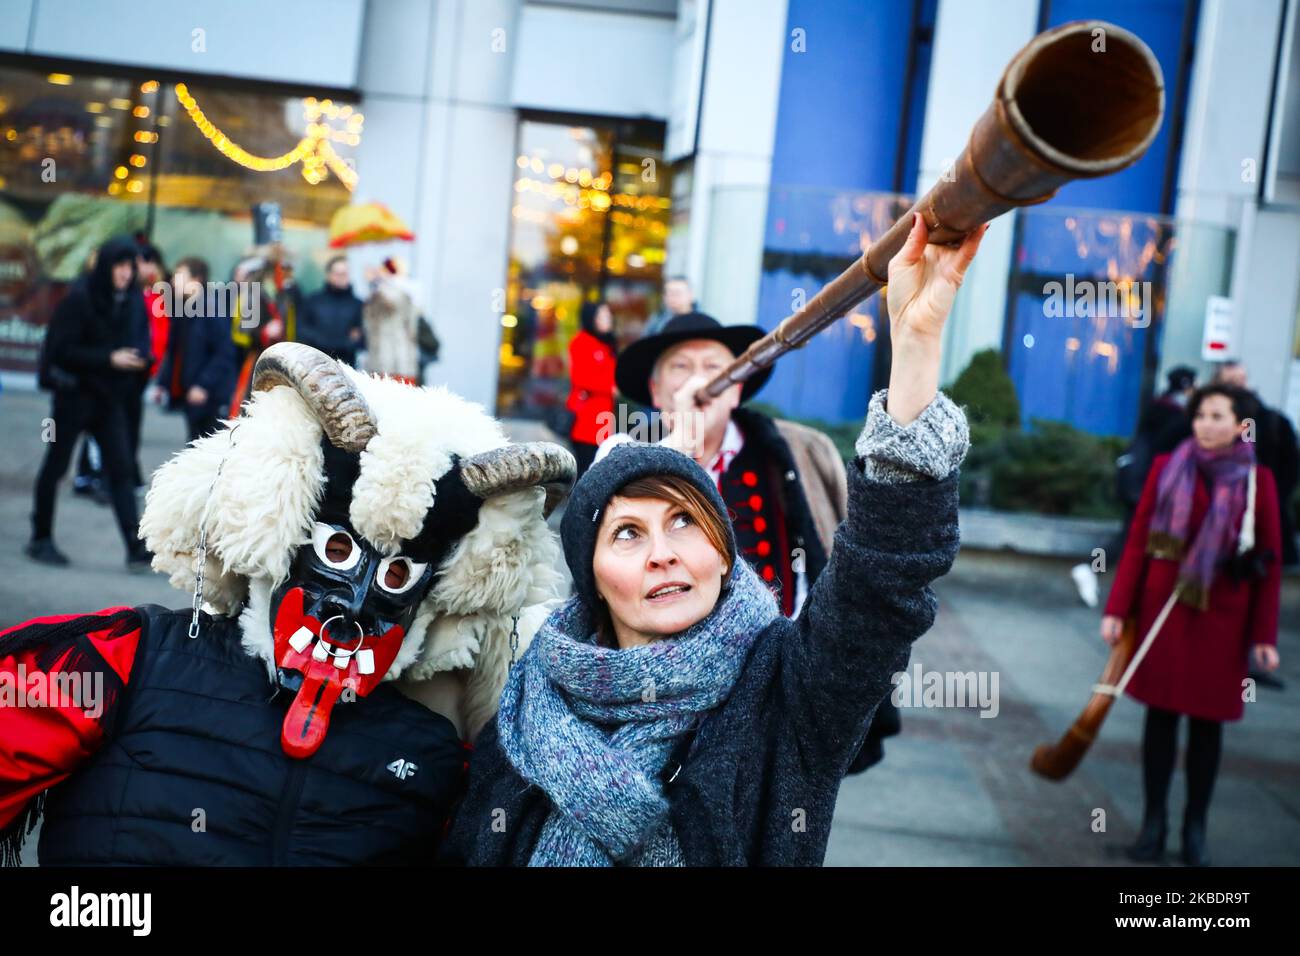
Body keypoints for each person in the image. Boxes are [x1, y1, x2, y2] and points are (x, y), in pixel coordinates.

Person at [440, 214, 984, 867]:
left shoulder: (784, 694)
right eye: (628, 534)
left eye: (684, 524)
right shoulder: (529, 700)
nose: (661, 553)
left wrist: (917, 344)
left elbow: (881, 578)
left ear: (723, 553)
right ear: (590, 575)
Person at [0, 342, 575, 866]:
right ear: (287, 529)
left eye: (397, 574)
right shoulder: (125, 662)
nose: (351, 605)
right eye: (337, 550)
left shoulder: (440, 758)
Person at [1101, 383, 1283, 866]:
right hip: (1164, 613)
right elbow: (1138, 542)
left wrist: (1264, 637)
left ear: (1241, 426)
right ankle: (1152, 825)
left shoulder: (1256, 481)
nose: (1205, 424)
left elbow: (1272, 560)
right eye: (1201, 415)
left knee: (1207, 729)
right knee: (1159, 720)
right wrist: (1117, 609)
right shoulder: (1168, 467)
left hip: (1222, 618)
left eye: (1218, 416)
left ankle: (1194, 828)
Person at [28, 234, 151, 570]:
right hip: (72, 399)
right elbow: (60, 352)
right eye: (120, 266)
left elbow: (136, 338)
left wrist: (137, 360)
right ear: (108, 266)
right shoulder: (79, 299)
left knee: (121, 471)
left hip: (108, 400)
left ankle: (135, 548)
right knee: (56, 466)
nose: (126, 273)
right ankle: (40, 537)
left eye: (131, 266)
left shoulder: (128, 300)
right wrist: (109, 358)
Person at [1072, 365, 1197, 607]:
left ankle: (1093, 569)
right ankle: (1091, 568)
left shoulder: (1160, 407)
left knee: (1132, 535)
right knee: (1130, 536)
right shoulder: (1171, 413)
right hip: (1147, 485)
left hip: (1140, 483)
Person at [153, 256, 238, 441]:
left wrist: (203, 385)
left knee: (208, 449)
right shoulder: (183, 308)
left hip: (210, 397)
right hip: (191, 394)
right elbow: (176, 351)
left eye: (179, 275)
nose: (173, 281)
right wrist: (163, 383)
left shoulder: (212, 308)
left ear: (196, 280)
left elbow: (224, 352)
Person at [566, 300, 617, 478]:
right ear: (591, 318)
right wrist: (611, 388)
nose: (608, 319)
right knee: (586, 470)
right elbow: (581, 378)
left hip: (603, 419)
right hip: (586, 420)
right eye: (603, 315)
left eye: (608, 315)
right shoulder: (581, 342)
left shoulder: (606, 343)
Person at [361, 257, 420, 382]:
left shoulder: (400, 291)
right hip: (379, 359)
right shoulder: (376, 293)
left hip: (396, 360)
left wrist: (375, 284)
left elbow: (391, 304)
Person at [299, 254, 365, 366]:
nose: (342, 277)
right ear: (328, 275)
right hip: (316, 363)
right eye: (338, 273)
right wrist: (321, 341)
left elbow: (363, 337)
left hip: (347, 365)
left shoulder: (358, 304)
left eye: (345, 273)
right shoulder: (313, 300)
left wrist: (349, 343)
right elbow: (302, 328)